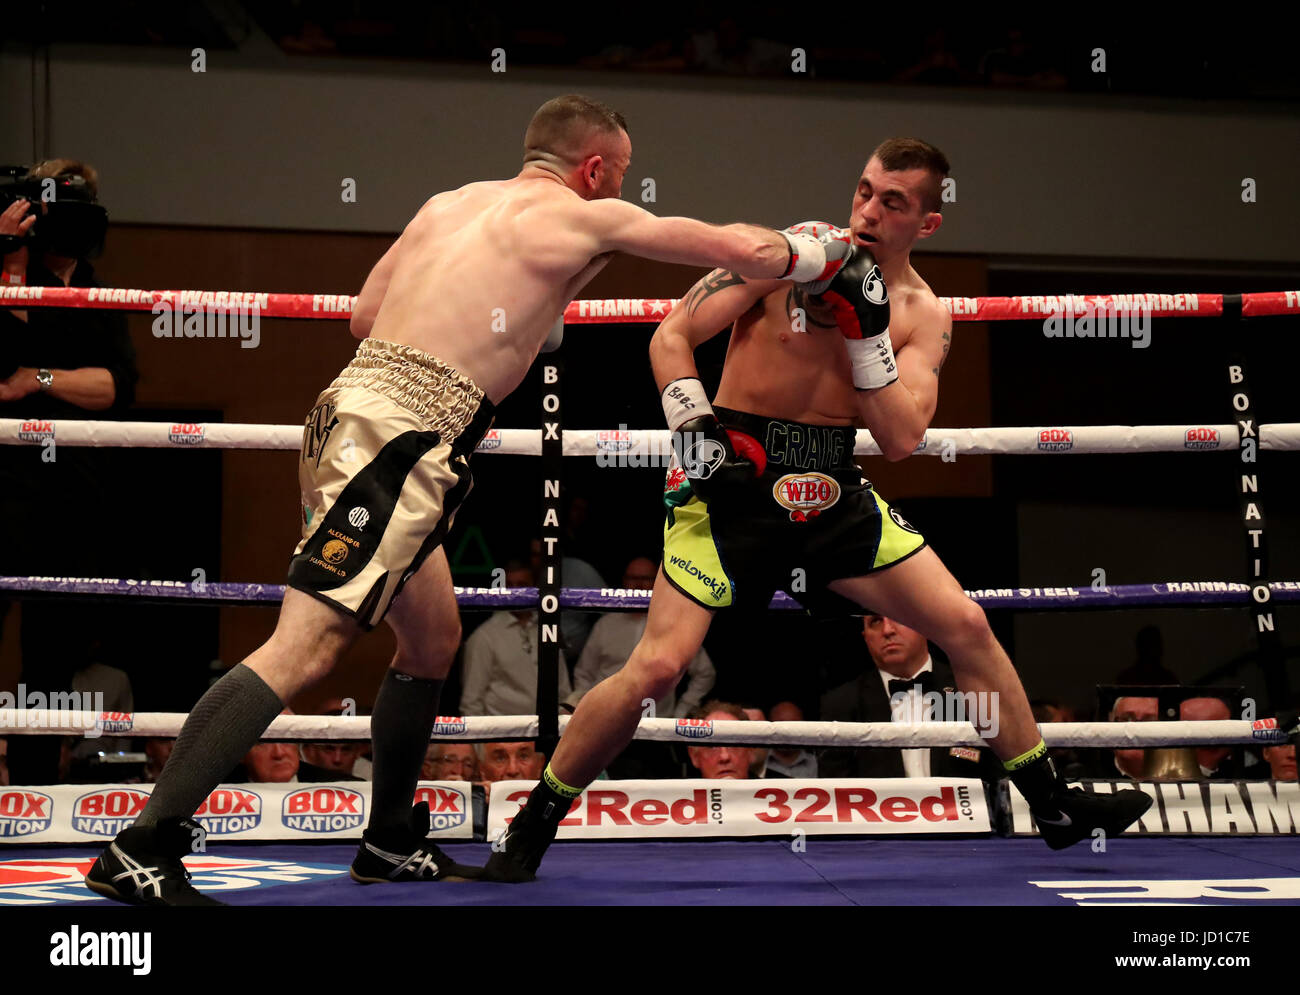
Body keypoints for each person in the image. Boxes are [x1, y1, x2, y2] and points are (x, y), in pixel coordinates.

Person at [86, 94, 845, 906]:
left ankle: (387, 839)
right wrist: (816, 249)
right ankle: (142, 843)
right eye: (619, 176)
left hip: (354, 416)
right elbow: (741, 249)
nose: (621, 189)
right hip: (402, 439)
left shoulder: (447, 204)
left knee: (433, 639)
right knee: (305, 645)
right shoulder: (586, 217)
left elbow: (363, 316)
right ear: (595, 169)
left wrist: (516, 311)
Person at [487, 137, 1152, 882]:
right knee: (658, 665)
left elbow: (901, 440)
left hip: (833, 485)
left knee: (965, 624)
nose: (868, 210)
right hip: (731, 477)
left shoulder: (922, 312)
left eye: (892, 202)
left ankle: (1049, 801)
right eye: (865, 190)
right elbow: (672, 335)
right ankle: (535, 821)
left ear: (926, 223)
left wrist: (867, 330)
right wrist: (694, 427)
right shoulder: (788, 253)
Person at [820, 614, 1001, 781]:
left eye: (898, 616)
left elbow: (998, 772)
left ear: (924, 627)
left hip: (964, 814)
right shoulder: (842, 703)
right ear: (866, 637)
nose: (887, 630)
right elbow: (836, 793)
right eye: (875, 621)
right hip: (880, 814)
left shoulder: (970, 689)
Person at [459, 560, 572, 715]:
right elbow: (471, 701)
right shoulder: (484, 636)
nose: (515, 592)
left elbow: (563, 688)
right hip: (502, 734)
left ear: (534, 588)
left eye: (521, 585)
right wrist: (480, 740)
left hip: (546, 732)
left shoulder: (548, 629)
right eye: (509, 586)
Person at [686, 702, 755, 779]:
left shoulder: (770, 785)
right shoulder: (675, 789)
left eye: (733, 744)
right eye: (712, 746)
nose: (724, 757)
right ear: (694, 756)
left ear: (750, 750)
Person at [764, 701, 817, 778]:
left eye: (794, 725)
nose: (787, 731)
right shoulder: (758, 763)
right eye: (780, 725)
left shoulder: (817, 764)